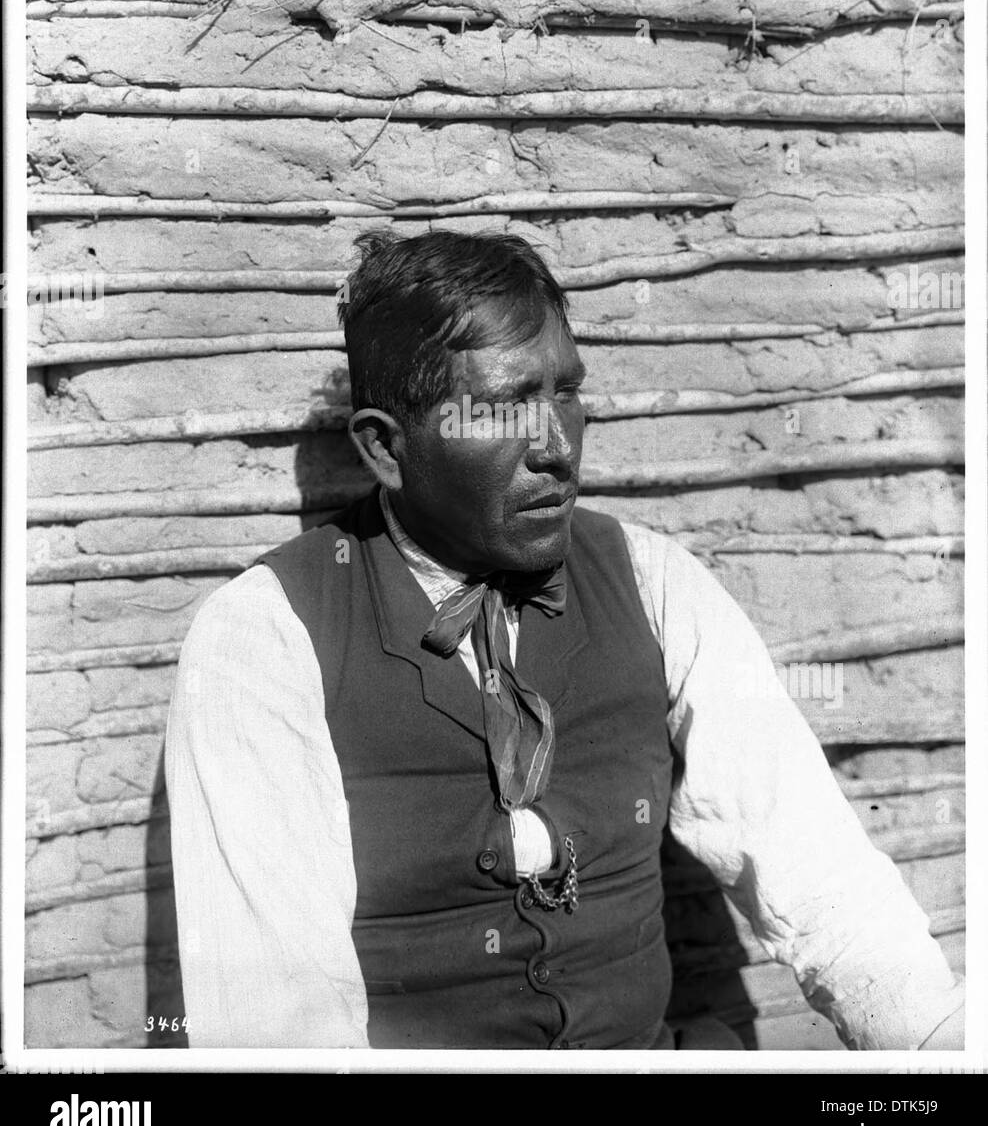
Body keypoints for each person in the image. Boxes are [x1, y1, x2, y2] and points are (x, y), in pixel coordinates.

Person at [165, 232, 964, 1051]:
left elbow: (825, 882)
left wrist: (940, 1052)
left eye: (568, 394)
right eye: (508, 408)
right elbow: (280, 1032)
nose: (556, 447)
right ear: (385, 448)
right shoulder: (264, 641)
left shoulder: (654, 586)